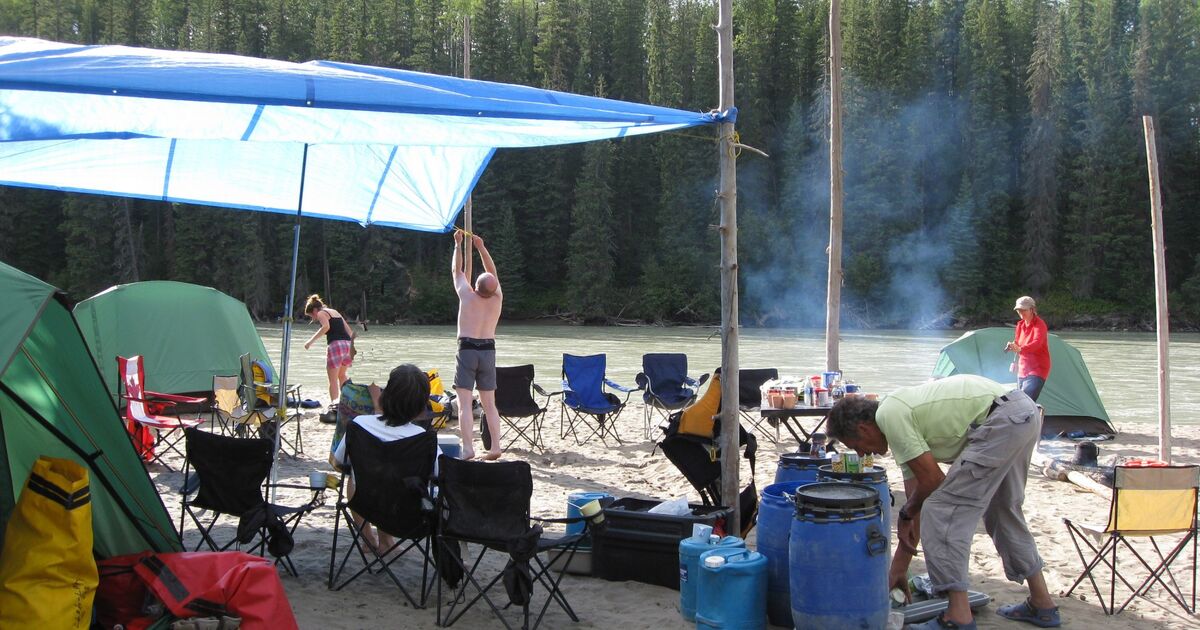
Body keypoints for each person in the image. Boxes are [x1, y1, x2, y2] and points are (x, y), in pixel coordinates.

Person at [827, 375, 1060, 630]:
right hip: (1022, 413)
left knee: (942, 511)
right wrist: (899, 569)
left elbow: (933, 483)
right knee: (1002, 511)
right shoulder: (899, 426)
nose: (862, 454)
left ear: (863, 429)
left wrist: (909, 510)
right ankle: (1042, 604)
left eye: (856, 446)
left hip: (1002, 419)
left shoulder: (889, 416)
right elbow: (916, 501)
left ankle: (958, 616)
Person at [331, 364, 441, 552]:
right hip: (408, 513)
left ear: (386, 393)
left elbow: (340, 462)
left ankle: (367, 539)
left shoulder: (358, 425)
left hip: (365, 502)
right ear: (420, 407)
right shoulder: (422, 438)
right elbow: (441, 474)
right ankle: (386, 541)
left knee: (355, 477)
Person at [451, 230, 503, 460]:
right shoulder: (497, 298)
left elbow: (457, 271)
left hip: (468, 349)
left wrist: (458, 245)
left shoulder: (467, 295)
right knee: (489, 404)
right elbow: (492, 272)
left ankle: (469, 448)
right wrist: (481, 248)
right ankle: (495, 447)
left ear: (476, 287)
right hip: (488, 350)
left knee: (464, 403)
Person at [302, 294, 355, 407]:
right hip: (347, 345)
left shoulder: (321, 313)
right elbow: (350, 332)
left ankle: (334, 406)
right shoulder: (335, 312)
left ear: (315, 309)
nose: (314, 318)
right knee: (342, 376)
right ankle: (347, 403)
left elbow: (326, 327)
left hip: (336, 345)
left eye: (312, 315)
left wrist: (310, 342)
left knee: (332, 380)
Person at [1005, 296, 1051, 402]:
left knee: (1025, 401)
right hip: (1023, 368)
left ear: (1032, 309)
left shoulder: (1040, 324)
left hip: (1038, 368)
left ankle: (1033, 416)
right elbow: (1018, 342)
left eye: (1024, 309)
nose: (1021, 312)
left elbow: (1036, 343)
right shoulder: (1020, 325)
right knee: (1020, 401)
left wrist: (1020, 349)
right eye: (1018, 310)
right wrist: (1012, 345)